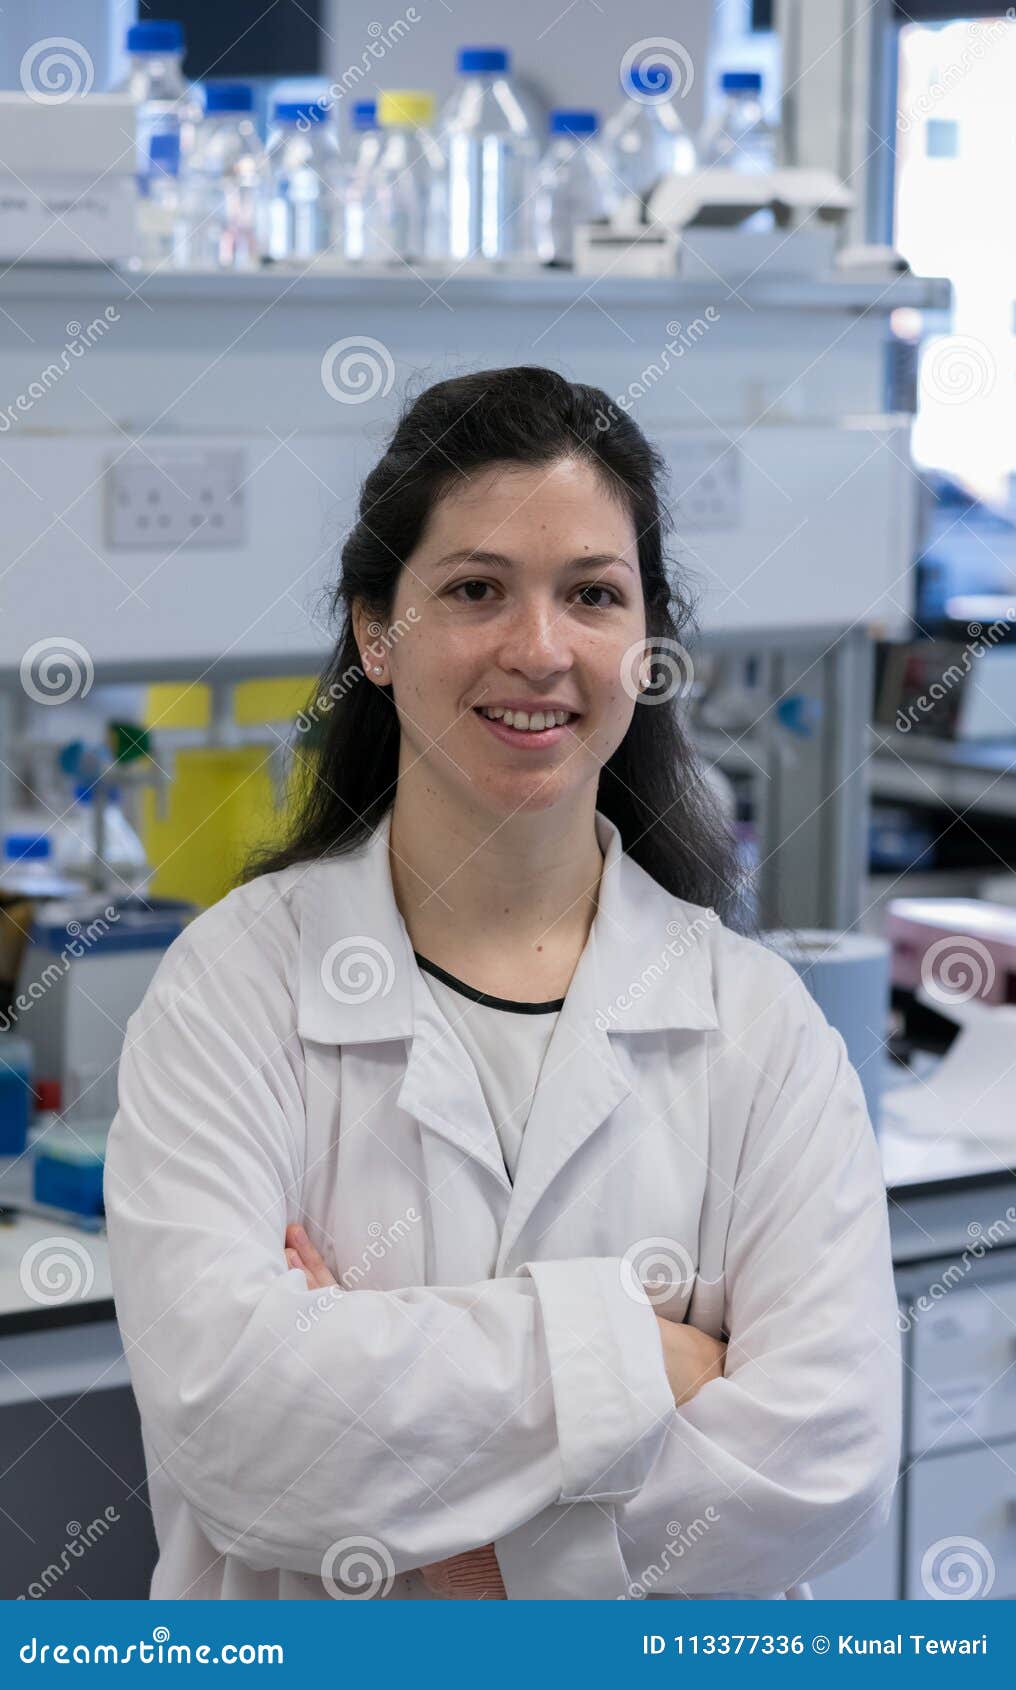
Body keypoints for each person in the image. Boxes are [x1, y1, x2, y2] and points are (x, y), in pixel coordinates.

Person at [104, 365, 901, 1601]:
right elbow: (236, 1426)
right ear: (376, 633)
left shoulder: (754, 1024)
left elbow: (825, 1463)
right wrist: (655, 1363)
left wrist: (468, 1548)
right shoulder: (235, 989)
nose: (537, 649)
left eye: (591, 593)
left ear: (643, 648)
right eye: (475, 589)